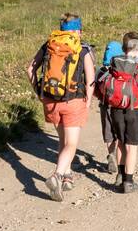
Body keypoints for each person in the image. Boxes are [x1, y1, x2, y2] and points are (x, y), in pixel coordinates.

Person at [27, 13, 95, 202]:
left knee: (63, 139)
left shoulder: (49, 45)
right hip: (74, 101)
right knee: (71, 144)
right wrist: (88, 102)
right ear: (78, 30)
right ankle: (57, 175)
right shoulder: (83, 48)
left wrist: (39, 92)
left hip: (49, 100)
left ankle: (67, 176)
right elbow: (90, 79)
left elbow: (30, 69)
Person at [98, 31, 138, 193]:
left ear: (123, 48)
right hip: (135, 111)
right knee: (131, 147)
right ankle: (129, 182)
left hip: (116, 110)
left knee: (120, 143)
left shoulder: (115, 64)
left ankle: (120, 175)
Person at [96, 39, 124, 176]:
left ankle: (111, 155)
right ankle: (119, 161)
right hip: (120, 107)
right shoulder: (124, 70)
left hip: (105, 106)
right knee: (119, 134)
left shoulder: (100, 72)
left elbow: (96, 90)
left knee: (109, 134)